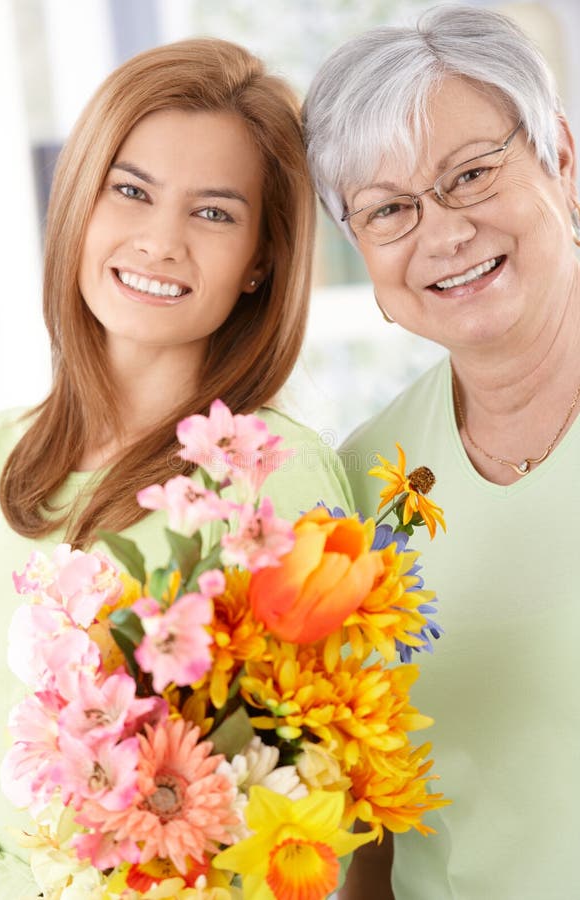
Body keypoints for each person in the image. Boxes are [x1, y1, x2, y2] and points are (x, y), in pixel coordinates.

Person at [0, 37, 355, 897]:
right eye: (132, 191)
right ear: (80, 199)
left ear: (263, 259)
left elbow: (302, 808)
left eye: (214, 213)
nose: (160, 241)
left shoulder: (273, 482)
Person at [303, 4, 580, 899]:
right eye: (390, 211)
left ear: (563, 162)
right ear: (362, 252)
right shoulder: (360, 485)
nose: (444, 233)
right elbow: (369, 828)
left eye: (470, 175)